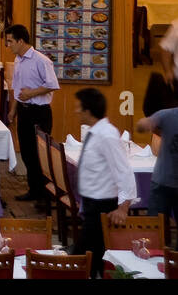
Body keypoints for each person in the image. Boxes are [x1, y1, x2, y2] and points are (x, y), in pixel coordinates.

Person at [72, 87, 136, 277]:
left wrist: (123, 207)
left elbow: (123, 170)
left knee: (84, 258)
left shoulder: (107, 135)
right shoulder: (95, 132)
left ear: (88, 111)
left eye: (79, 108)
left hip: (102, 207)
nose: (76, 111)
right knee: (93, 257)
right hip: (91, 204)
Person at [5, 23, 59, 204]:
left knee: (39, 154)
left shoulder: (41, 60)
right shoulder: (18, 60)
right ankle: (33, 189)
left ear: (21, 41)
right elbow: (17, 88)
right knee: (27, 153)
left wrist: (31, 93)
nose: (8, 45)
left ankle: (45, 194)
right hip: (24, 110)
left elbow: (52, 84)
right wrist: (13, 110)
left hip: (39, 111)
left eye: (10, 41)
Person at [136, 104, 178, 236]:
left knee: (154, 228)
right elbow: (142, 125)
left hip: (162, 181)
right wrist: (146, 124)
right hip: (162, 182)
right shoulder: (168, 115)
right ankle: (157, 253)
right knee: (154, 229)